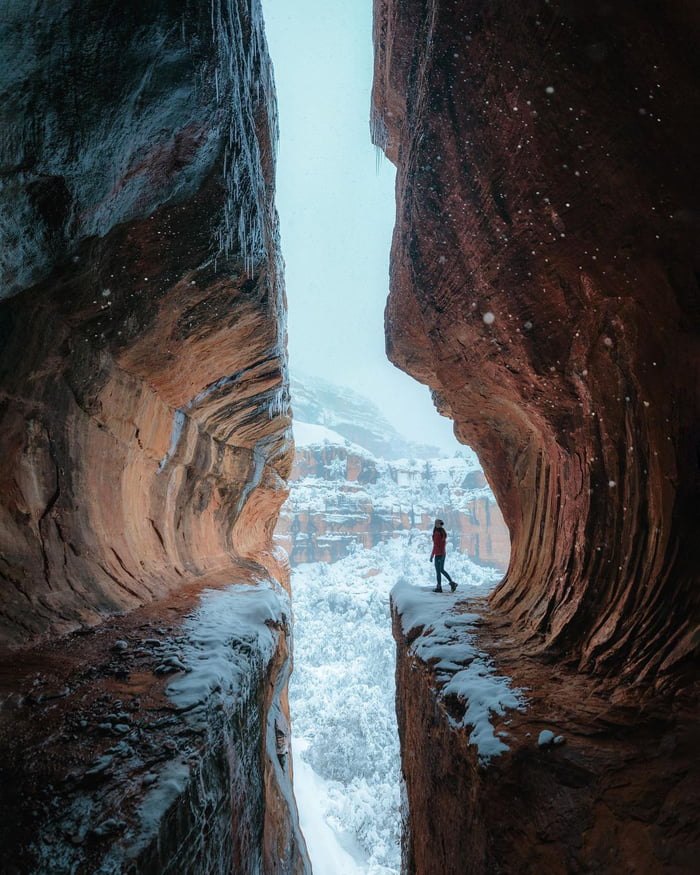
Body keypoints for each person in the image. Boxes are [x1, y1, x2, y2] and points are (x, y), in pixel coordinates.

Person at [430, 518, 457, 592]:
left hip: (439, 554)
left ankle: (439, 587)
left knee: (438, 571)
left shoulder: (437, 533)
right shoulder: (442, 532)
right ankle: (451, 583)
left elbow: (436, 545)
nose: (438, 524)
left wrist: (432, 555)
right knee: (441, 570)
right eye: (437, 523)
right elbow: (439, 545)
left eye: (438, 523)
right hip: (442, 554)